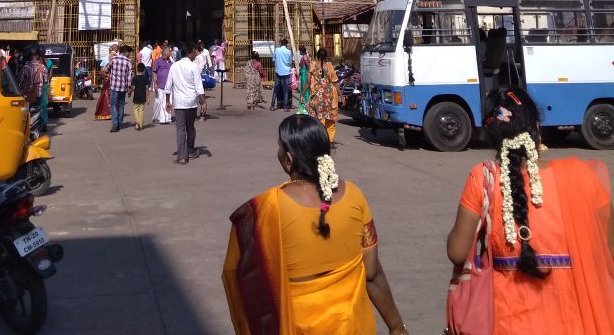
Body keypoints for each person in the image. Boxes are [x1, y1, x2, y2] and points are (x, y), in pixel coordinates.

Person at [446, 86, 614, 334]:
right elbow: (608, 252)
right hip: (576, 323)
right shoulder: (582, 178)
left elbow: (458, 252)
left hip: (508, 324)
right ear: (536, 130)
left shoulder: (483, 178)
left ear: (494, 138)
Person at [222, 114, 407, 334]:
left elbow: (239, 273)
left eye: (279, 147)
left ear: (288, 159)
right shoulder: (355, 197)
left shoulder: (266, 209)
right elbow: (372, 273)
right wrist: (396, 327)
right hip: (354, 325)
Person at [164, 45, 206, 164]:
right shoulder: (194, 66)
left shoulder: (174, 66)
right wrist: (203, 101)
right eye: (194, 52)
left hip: (179, 103)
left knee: (180, 129)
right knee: (190, 127)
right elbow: (198, 86)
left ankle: (182, 156)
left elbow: (168, 86)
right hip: (191, 102)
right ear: (189, 53)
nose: (195, 55)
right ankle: (191, 150)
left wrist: (168, 101)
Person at [307, 47, 339, 142]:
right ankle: (330, 141)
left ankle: (319, 139)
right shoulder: (329, 66)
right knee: (330, 120)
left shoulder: (312, 65)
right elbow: (335, 82)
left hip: (317, 97)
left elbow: (308, 82)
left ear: (317, 56)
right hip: (329, 97)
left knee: (318, 120)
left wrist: (302, 94)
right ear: (326, 56)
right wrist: (341, 95)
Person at [105, 45, 133, 132]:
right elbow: (129, 77)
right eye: (128, 53)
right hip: (123, 87)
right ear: (125, 52)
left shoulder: (113, 59)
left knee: (113, 104)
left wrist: (109, 67)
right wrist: (129, 88)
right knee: (121, 105)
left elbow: (106, 69)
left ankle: (114, 123)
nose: (129, 55)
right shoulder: (129, 62)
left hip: (114, 86)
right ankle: (120, 124)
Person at [18, 46, 47, 118]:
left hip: (28, 95)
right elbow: (46, 81)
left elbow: (19, 81)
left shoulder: (25, 68)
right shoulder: (43, 67)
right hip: (40, 95)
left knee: (25, 113)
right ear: (38, 56)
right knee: (40, 111)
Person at [94, 45, 117, 120]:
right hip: (110, 81)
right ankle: (109, 113)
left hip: (110, 81)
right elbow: (102, 72)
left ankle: (109, 113)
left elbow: (101, 72)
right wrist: (109, 76)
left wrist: (107, 76)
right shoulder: (114, 58)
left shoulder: (115, 58)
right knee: (109, 96)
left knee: (109, 96)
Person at [271, 38, 293, 112]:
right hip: (286, 72)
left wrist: (277, 66)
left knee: (276, 89)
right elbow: (290, 63)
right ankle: (286, 107)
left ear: (281, 43)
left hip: (278, 72)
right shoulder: (289, 52)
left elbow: (273, 60)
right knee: (285, 90)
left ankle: (272, 105)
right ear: (286, 44)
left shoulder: (277, 50)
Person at [152, 45, 173, 124]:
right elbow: (154, 73)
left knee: (169, 101)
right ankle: (162, 119)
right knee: (161, 102)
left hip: (169, 86)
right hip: (160, 85)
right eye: (169, 51)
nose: (170, 52)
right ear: (164, 52)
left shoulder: (171, 62)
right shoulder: (158, 61)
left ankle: (168, 118)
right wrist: (155, 84)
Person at [130, 62, 150, 131]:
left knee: (136, 109)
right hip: (143, 96)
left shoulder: (135, 77)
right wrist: (148, 98)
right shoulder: (145, 78)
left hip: (136, 96)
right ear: (144, 70)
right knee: (141, 110)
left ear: (137, 69)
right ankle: (140, 124)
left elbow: (133, 88)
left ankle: (137, 122)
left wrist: (129, 92)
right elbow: (147, 88)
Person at [297, 45, 311, 115]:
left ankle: (305, 107)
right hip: (303, 75)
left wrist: (306, 73)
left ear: (301, 51)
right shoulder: (305, 57)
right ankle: (303, 107)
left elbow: (308, 66)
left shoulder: (305, 58)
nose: (299, 52)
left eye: (299, 50)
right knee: (303, 90)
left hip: (304, 76)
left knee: (304, 91)